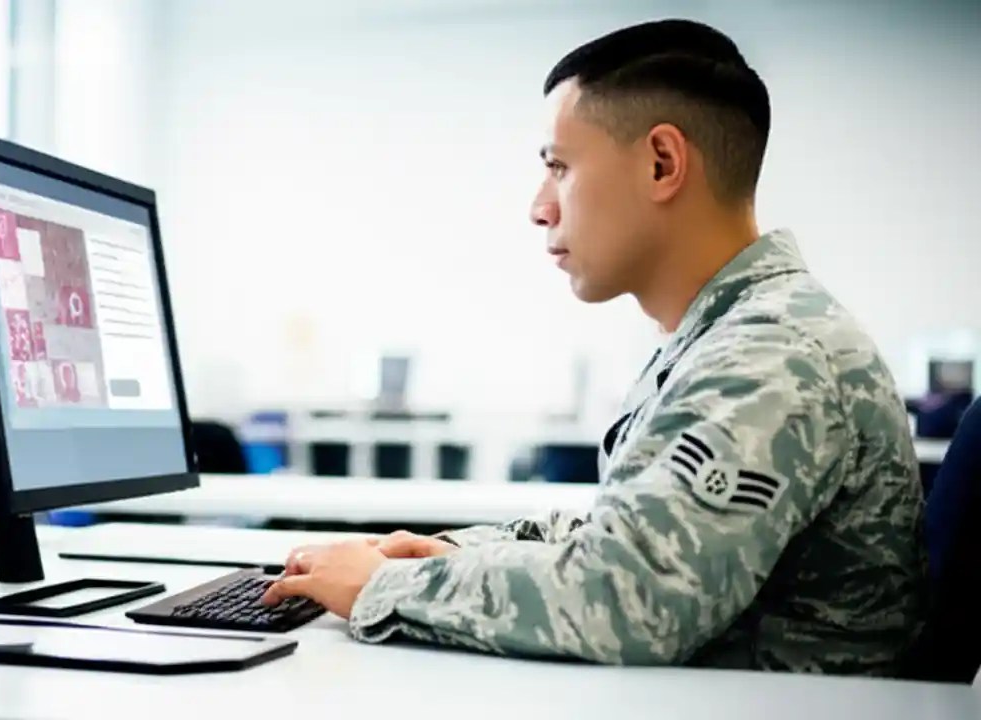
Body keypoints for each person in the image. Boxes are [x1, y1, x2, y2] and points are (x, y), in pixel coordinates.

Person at [262, 18, 927, 675]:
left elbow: (628, 600)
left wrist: (379, 590)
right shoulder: (731, 334)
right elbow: (623, 537)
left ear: (662, 163)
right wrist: (456, 557)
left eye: (560, 167)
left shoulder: (773, 355)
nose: (539, 207)